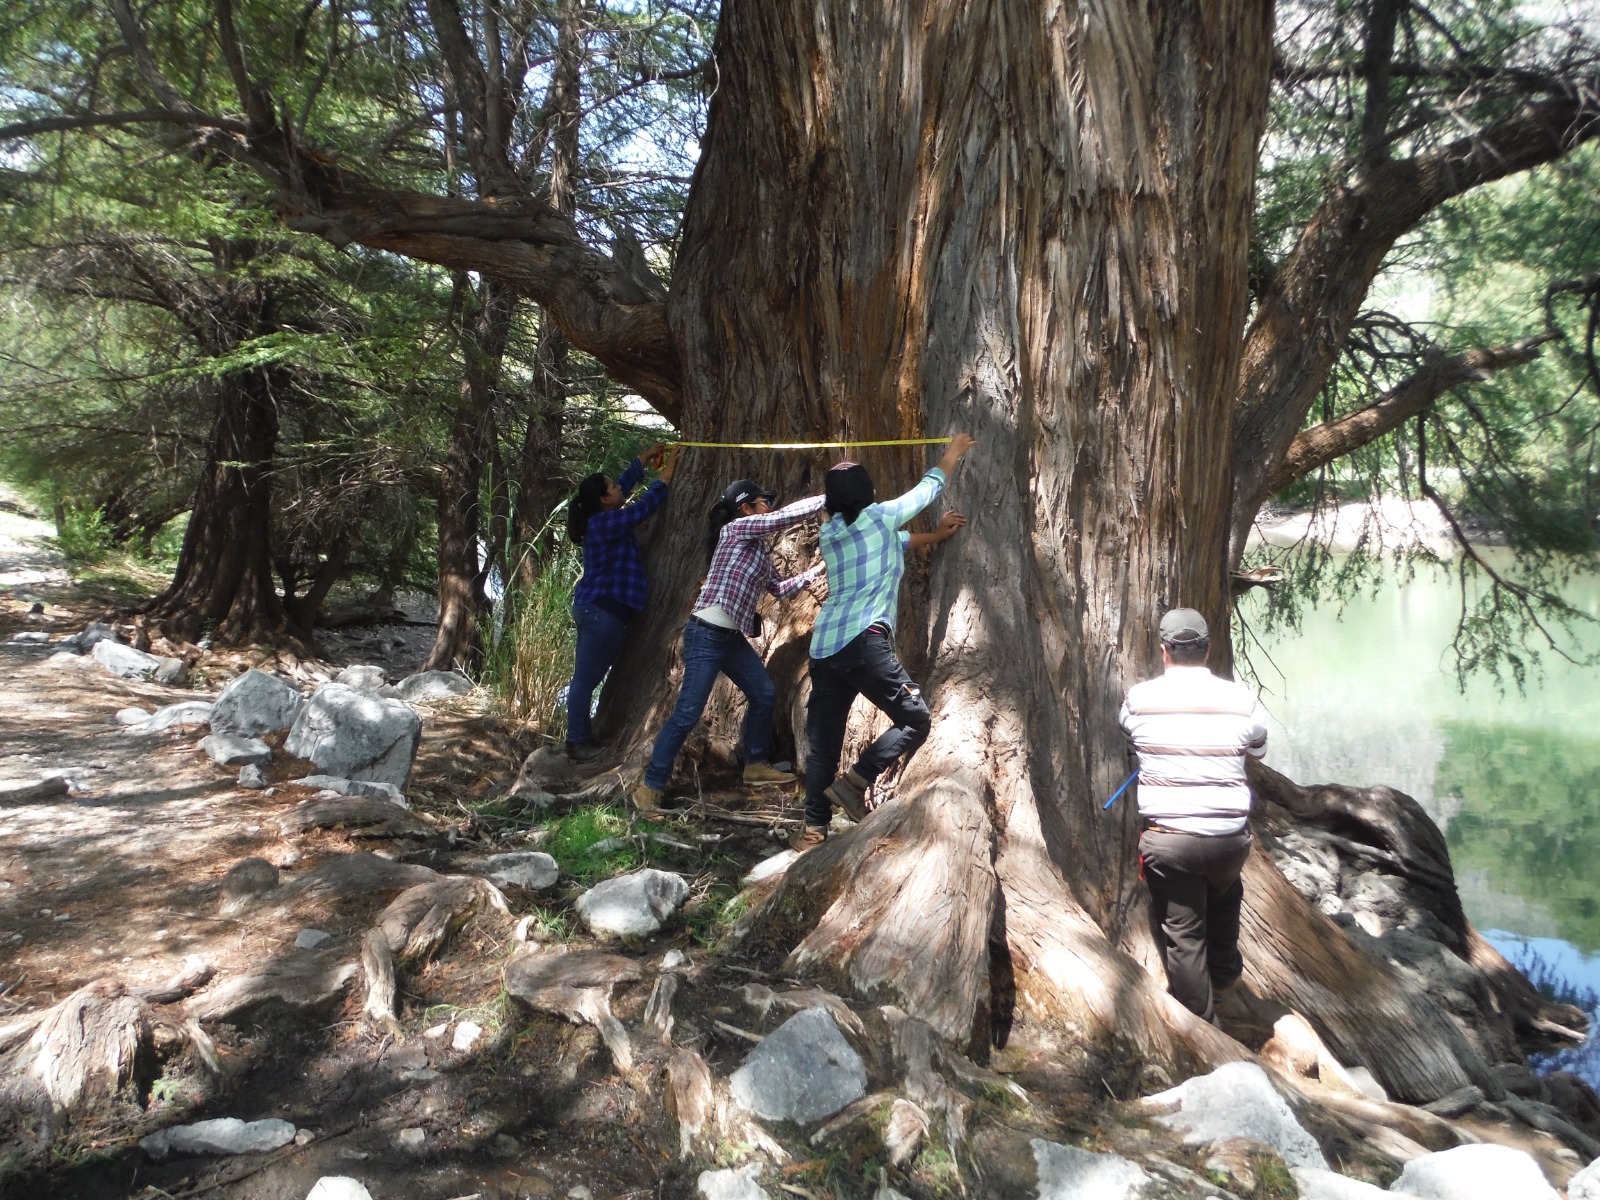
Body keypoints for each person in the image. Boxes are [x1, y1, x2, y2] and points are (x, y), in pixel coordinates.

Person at [799, 433, 977, 849]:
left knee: (824, 743)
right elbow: (927, 490)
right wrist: (952, 453)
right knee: (916, 718)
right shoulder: (879, 517)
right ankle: (857, 779)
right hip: (864, 641)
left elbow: (898, 541)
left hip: (825, 648)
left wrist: (936, 538)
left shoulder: (832, 535)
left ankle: (812, 831)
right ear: (869, 494)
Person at [630, 478, 827, 812]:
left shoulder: (759, 556)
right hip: (705, 633)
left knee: (763, 693)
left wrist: (816, 571)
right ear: (746, 508)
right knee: (688, 711)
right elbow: (778, 520)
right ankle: (651, 787)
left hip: (730, 638)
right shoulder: (734, 531)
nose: (769, 507)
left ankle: (755, 765)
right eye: (763, 502)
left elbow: (778, 589)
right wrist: (830, 494)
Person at [1118, 607, 1269, 1024]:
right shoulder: (1242, 700)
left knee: (1184, 935)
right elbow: (1258, 749)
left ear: (1165, 652)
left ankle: (1201, 1024)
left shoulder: (1139, 699)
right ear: (1207, 650)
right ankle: (1223, 979)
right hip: (1229, 840)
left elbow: (1127, 729)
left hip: (1169, 841)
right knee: (1226, 892)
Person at [564, 443, 678, 761]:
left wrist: (642, 460)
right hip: (603, 612)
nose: (617, 487)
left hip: (597, 609)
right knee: (585, 680)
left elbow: (622, 491)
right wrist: (666, 477)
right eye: (611, 487)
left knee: (585, 678)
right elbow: (641, 509)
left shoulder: (601, 516)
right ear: (603, 500)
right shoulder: (605, 523)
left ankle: (581, 737)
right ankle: (576, 742)